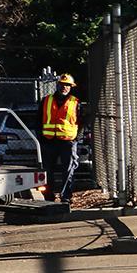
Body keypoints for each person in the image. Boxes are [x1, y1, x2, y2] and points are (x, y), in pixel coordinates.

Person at [38, 73, 80, 204]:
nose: (64, 87)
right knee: (47, 170)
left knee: (68, 170)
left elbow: (81, 121)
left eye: (67, 85)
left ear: (71, 87)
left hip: (67, 141)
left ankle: (66, 196)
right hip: (49, 141)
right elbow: (38, 119)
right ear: (57, 85)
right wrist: (40, 136)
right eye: (62, 84)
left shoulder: (75, 102)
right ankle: (48, 196)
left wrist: (76, 138)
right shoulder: (46, 100)